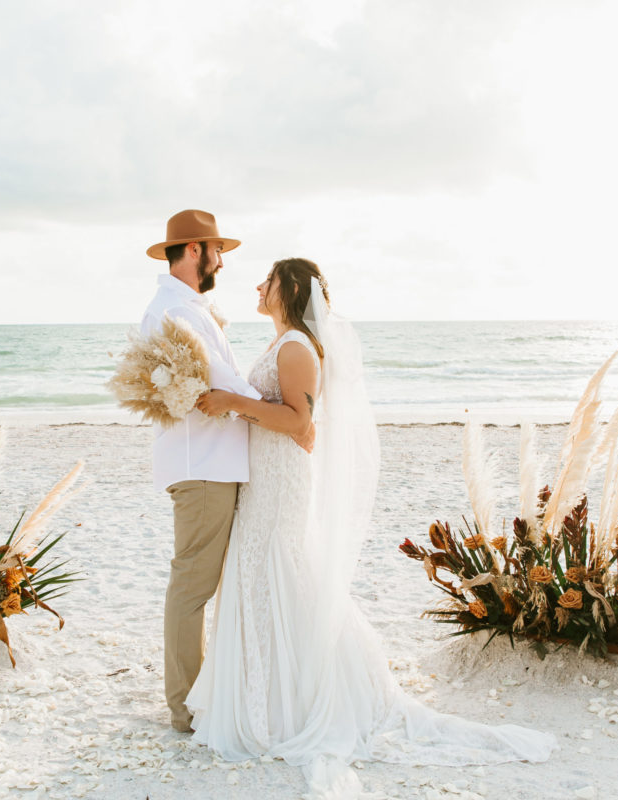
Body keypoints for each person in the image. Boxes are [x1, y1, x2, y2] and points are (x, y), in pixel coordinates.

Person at [189, 258, 557, 797]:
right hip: (264, 476)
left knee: (280, 569)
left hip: (280, 481)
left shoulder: (295, 348)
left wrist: (232, 404)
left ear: (289, 289)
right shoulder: (283, 342)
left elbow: (298, 422)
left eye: (267, 279)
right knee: (262, 570)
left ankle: (295, 699)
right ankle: (264, 693)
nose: (258, 286)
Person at [141, 210, 313, 734]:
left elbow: (227, 389)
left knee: (203, 583)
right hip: (205, 466)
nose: (223, 260)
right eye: (218, 250)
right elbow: (222, 385)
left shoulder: (188, 308)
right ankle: (185, 707)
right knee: (193, 586)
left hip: (214, 462)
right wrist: (287, 413)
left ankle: (208, 693)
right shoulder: (179, 312)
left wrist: (285, 413)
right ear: (194, 250)